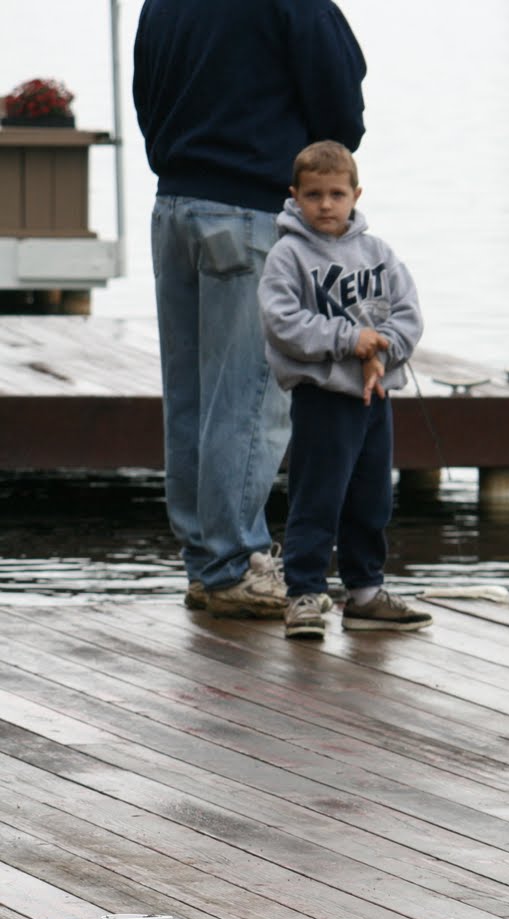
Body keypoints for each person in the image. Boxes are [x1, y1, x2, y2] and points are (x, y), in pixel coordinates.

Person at [133, 0, 366, 619]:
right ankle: (233, 563)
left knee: (190, 397)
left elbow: (144, 95)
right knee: (251, 397)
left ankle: (204, 563)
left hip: (175, 206)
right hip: (253, 212)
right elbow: (341, 107)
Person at [258, 141, 432, 641]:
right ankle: (305, 593)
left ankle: (364, 594)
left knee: (372, 496)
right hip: (322, 398)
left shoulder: (378, 253)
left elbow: (407, 314)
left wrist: (384, 351)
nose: (326, 205)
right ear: (295, 196)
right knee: (318, 496)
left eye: (337, 194)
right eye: (314, 195)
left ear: (356, 194)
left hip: (375, 397)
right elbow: (281, 323)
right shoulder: (287, 255)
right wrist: (349, 340)